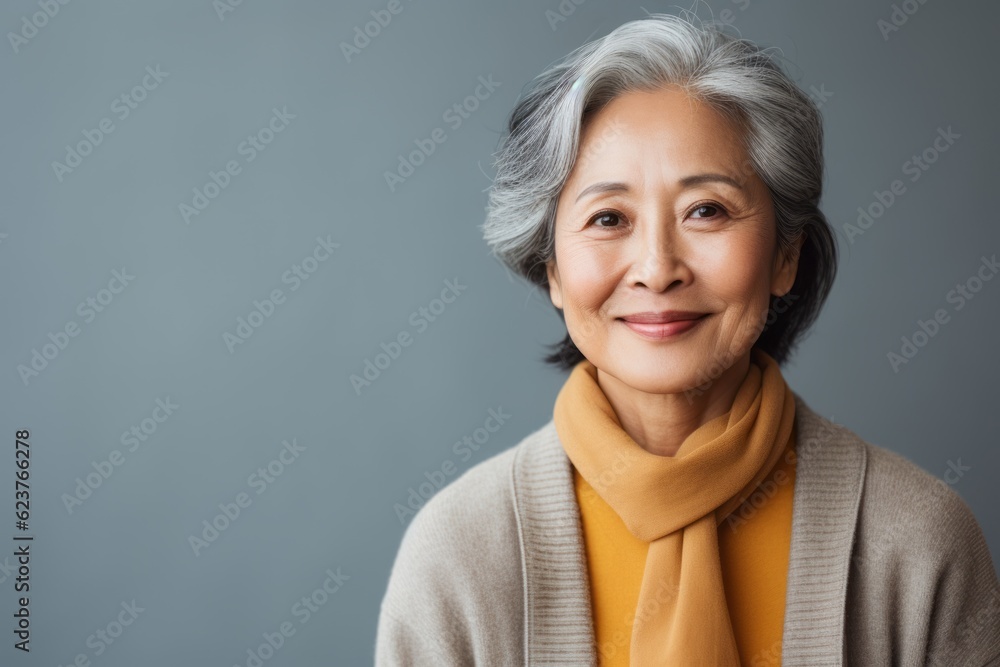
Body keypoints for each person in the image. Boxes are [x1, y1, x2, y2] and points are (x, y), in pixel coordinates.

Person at [375, 12, 1000, 665]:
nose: (657, 267)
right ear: (552, 268)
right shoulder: (457, 553)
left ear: (786, 253)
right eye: (608, 217)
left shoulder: (919, 540)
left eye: (707, 210)